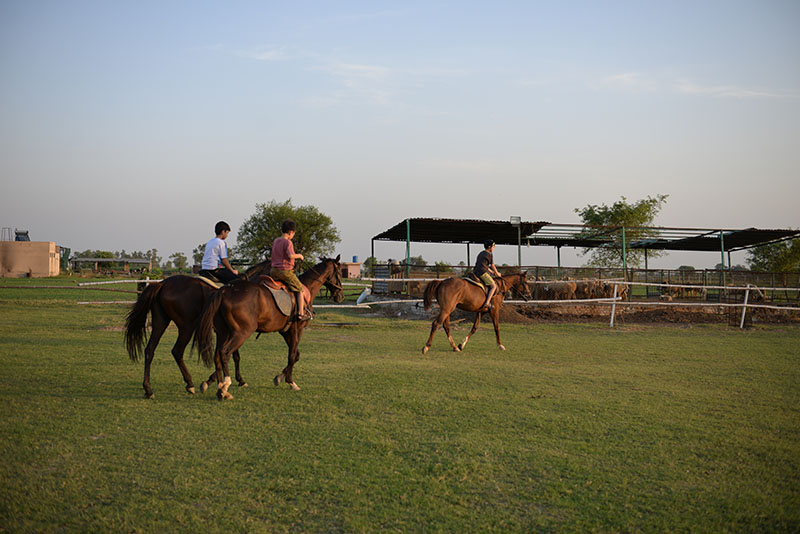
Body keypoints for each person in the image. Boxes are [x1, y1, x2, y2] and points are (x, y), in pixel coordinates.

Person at [270, 219, 312, 321]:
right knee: (300, 289)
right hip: (285, 272)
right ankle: (301, 313)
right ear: (291, 232)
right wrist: (300, 256)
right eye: (293, 233)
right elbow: (290, 255)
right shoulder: (288, 242)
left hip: (273, 271)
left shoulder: (276, 241)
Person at [473, 239, 501, 311]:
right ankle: (487, 302)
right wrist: (497, 273)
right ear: (489, 247)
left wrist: (492, 272)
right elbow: (492, 265)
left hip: (476, 271)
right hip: (482, 273)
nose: (494, 248)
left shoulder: (481, 253)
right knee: (493, 286)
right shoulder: (489, 254)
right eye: (493, 246)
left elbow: (484, 265)